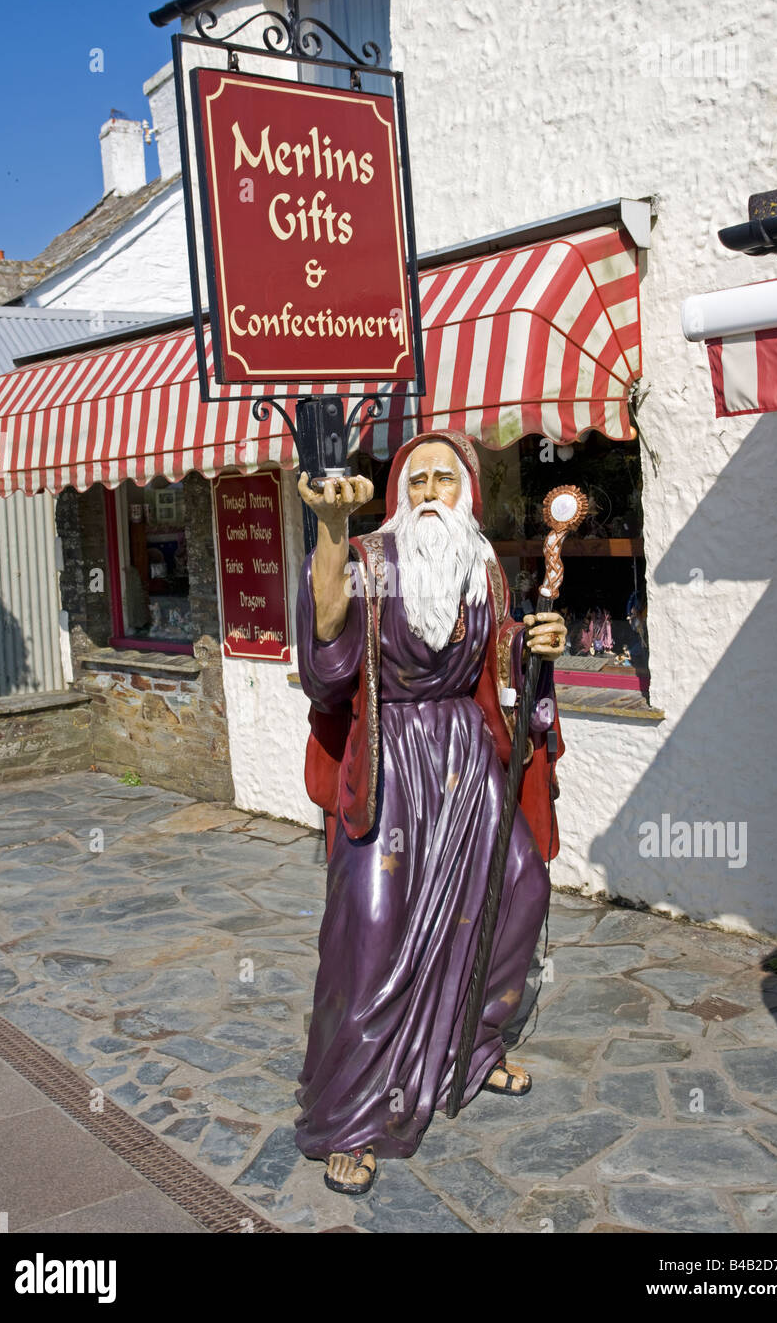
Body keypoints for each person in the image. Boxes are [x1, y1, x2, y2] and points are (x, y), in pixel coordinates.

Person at [294, 431, 567, 1195]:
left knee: (521, 885)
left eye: (445, 481)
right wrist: (328, 530)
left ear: (467, 494)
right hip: (390, 759)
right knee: (372, 925)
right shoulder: (368, 561)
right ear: (397, 495)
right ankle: (351, 1113)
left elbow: (502, 659)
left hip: (467, 757)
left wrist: (538, 643)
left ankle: (469, 1049)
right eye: (416, 481)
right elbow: (325, 647)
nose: (428, 494)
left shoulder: (482, 569)